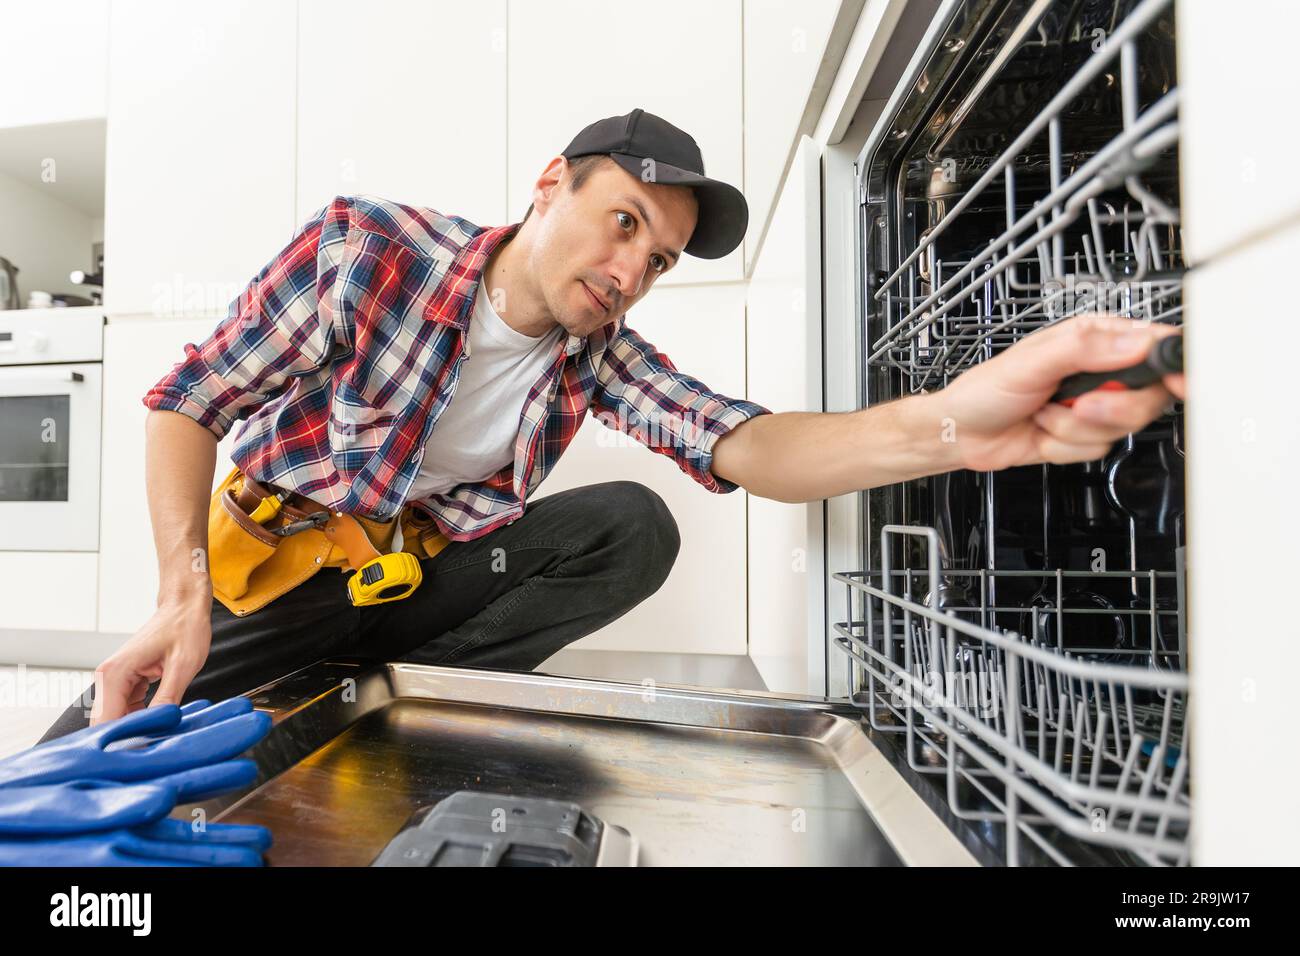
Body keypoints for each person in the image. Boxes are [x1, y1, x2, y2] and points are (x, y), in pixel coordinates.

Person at [38, 108, 1184, 743]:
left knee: (632, 524)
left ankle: (378, 709)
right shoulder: (367, 250)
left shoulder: (603, 355)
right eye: (622, 220)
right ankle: (297, 690)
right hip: (270, 571)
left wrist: (954, 428)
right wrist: (180, 590)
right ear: (550, 184)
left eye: (659, 256)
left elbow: (749, 442)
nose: (631, 267)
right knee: (67, 766)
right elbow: (188, 398)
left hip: (407, 587)